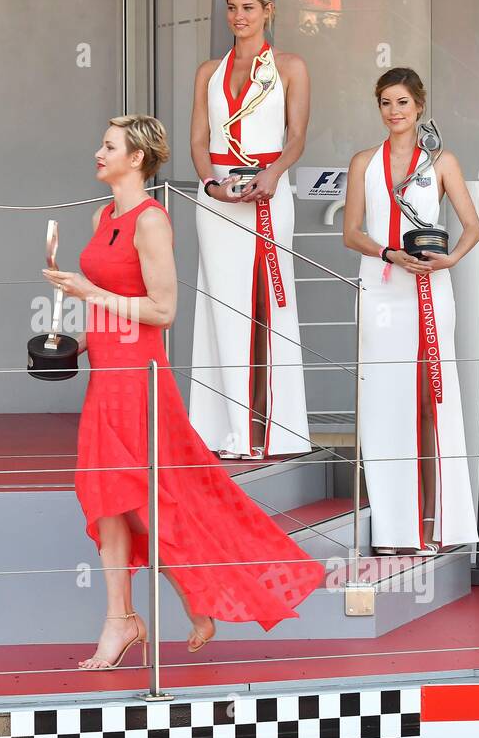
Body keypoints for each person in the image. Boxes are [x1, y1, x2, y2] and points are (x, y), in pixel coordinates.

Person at [45, 115, 325, 670]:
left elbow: (163, 311)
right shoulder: (106, 215)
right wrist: (75, 340)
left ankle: (140, 614)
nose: (98, 153)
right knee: (115, 499)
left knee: (140, 498)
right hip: (107, 370)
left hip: (136, 378)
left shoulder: (151, 221)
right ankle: (136, 614)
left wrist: (87, 291)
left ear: (137, 159)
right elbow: (114, 304)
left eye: (109, 146)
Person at [342, 68, 479, 555]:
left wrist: (451, 260)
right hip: (382, 289)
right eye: (385, 103)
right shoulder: (363, 162)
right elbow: (351, 232)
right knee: (385, 398)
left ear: (419, 105)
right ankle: (396, 529)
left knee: (431, 399)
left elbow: (472, 227)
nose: (394, 111)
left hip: (430, 288)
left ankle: (440, 523)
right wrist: (387, 254)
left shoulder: (441, 162)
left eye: (402, 102)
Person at [189, 0, 311, 459]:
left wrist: (275, 173)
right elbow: (199, 140)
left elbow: (297, 134)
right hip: (217, 197)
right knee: (220, 304)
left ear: (268, 11)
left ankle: (270, 429)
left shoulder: (291, 66)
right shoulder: (208, 71)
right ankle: (222, 428)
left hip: (267, 190)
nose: (239, 18)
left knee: (266, 305)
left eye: (249, 8)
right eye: (232, 8)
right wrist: (211, 185)